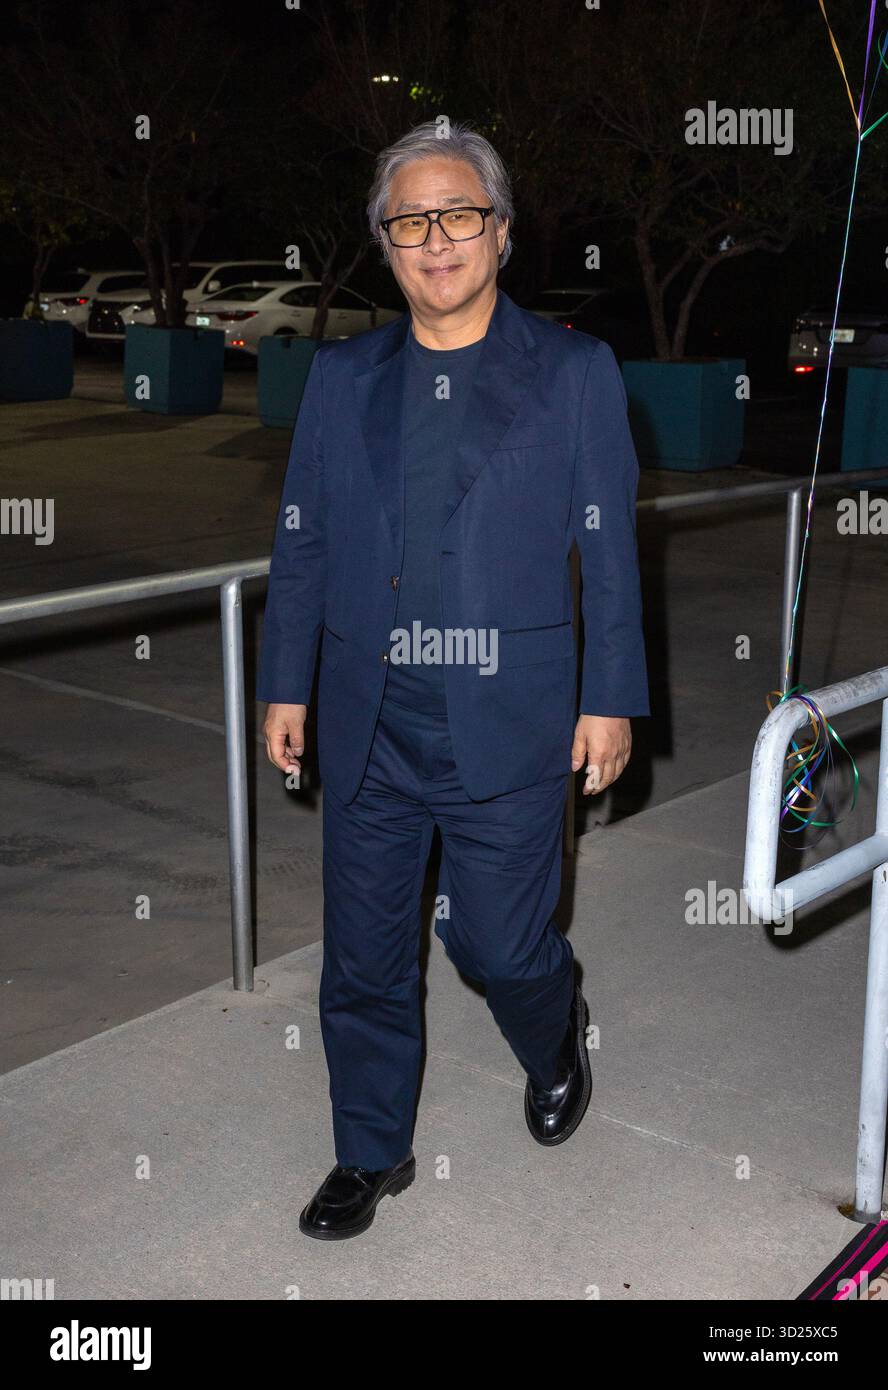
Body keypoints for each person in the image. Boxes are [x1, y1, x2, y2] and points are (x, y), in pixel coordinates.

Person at [258, 120, 650, 1241]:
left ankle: (554, 1023)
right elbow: (306, 544)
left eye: (460, 215)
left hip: (510, 722)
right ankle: (370, 1150)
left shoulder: (573, 373)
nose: (438, 240)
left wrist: (610, 694)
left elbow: (612, 554)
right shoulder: (341, 378)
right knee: (366, 955)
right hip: (371, 720)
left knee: (500, 943)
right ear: (386, 243)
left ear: (503, 231)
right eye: (412, 221)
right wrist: (286, 682)